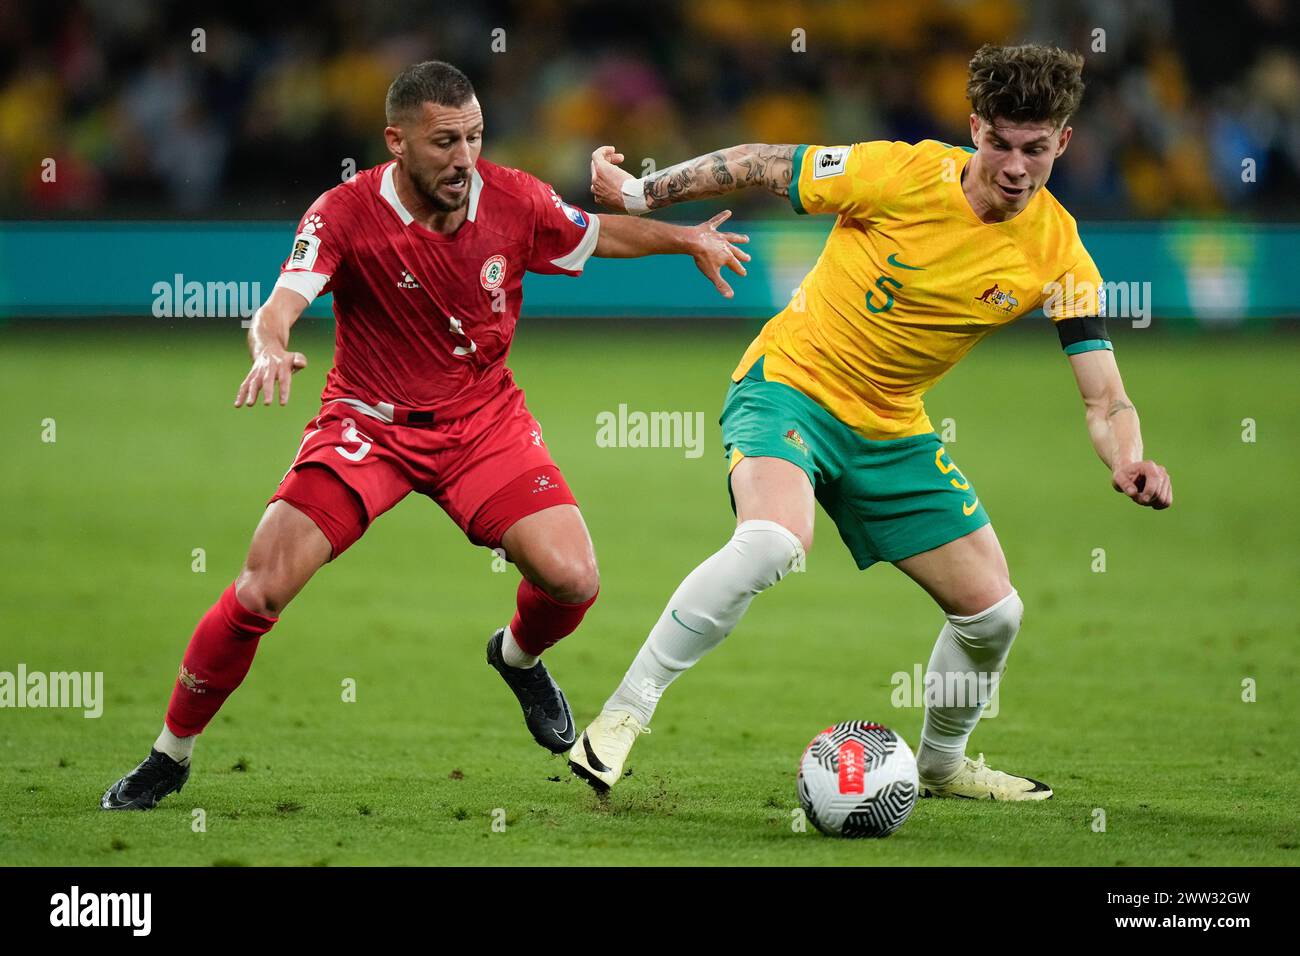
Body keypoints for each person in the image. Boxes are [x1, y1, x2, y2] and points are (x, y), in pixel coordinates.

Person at [101, 60, 749, 810]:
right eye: (444, 141)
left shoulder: (514, 198)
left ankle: (516, 657)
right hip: (368, 427)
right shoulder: (342, 212)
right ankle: (169, 755)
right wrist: (269, 346)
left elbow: (598, 234)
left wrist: (687, 239)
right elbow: (280, 302)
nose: (465, 158)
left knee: (574, 579)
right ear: (396, 142)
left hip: (483, 424)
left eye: (474, 137)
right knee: (260, 590)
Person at [570, 44, 1172, 800]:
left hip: (890, 428)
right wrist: (639, 193)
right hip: (789, 387)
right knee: (772, 542)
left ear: (1065, 143)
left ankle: (942, 766)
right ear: (976, 128)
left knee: (994, 615)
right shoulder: (899, 172)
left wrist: (1129, 457)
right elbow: (763, 161)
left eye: (1037, 150)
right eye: (1001, 145)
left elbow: (1104, 398)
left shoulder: (1060, 254)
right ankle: (623, 715)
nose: (1017, 168)